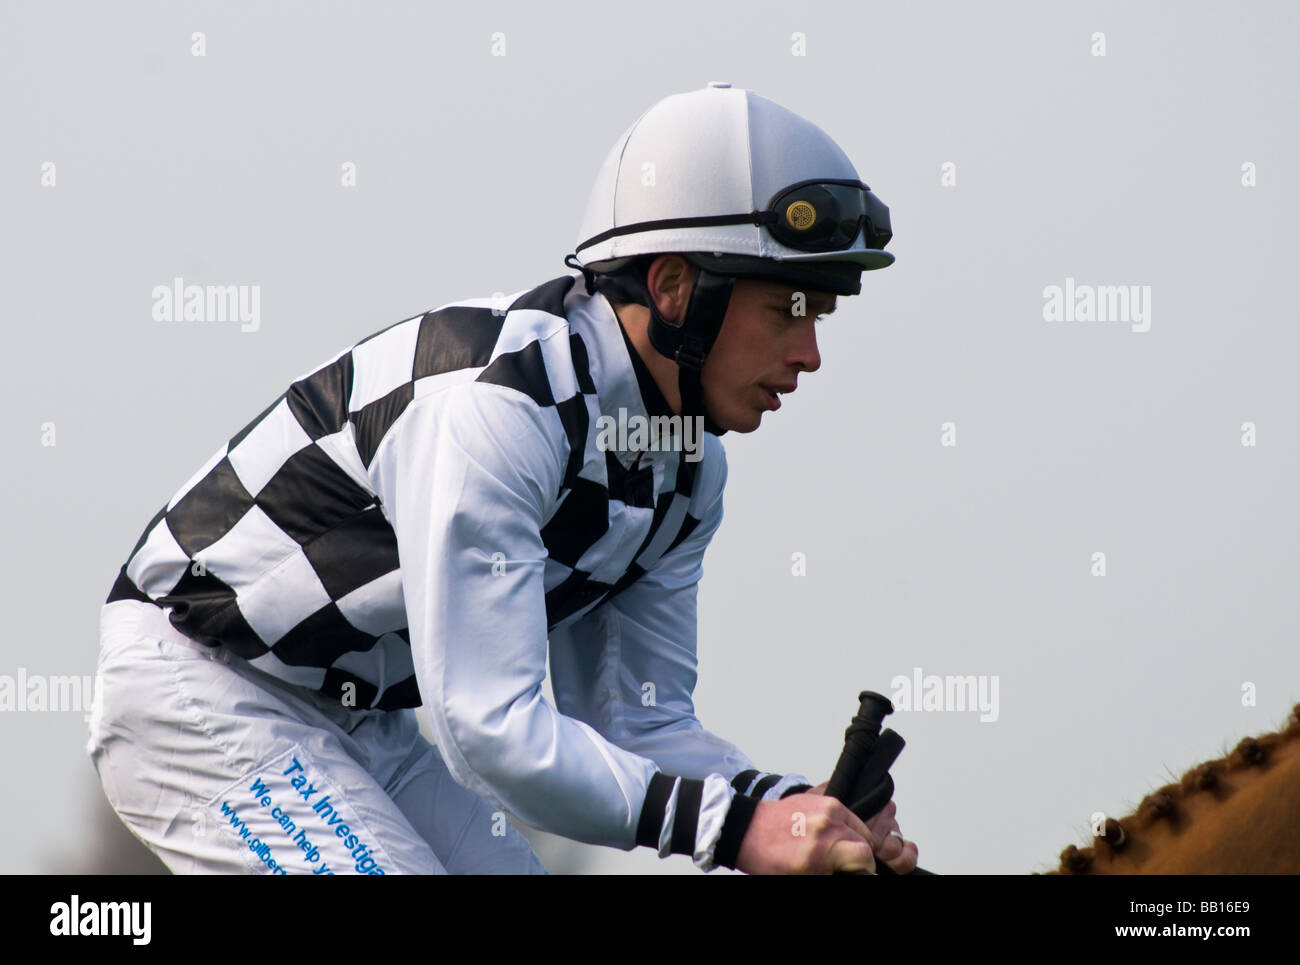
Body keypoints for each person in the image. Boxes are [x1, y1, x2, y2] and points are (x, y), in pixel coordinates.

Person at [86, 82, 919, 875]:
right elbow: (490, 729)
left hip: (357, 718)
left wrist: (799, 810)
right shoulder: (501, 408)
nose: (811, 356)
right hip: (201, 683)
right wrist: (739, 828)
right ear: (672, 288)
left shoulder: (686, 475)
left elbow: (636, 721)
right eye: (788, 312)